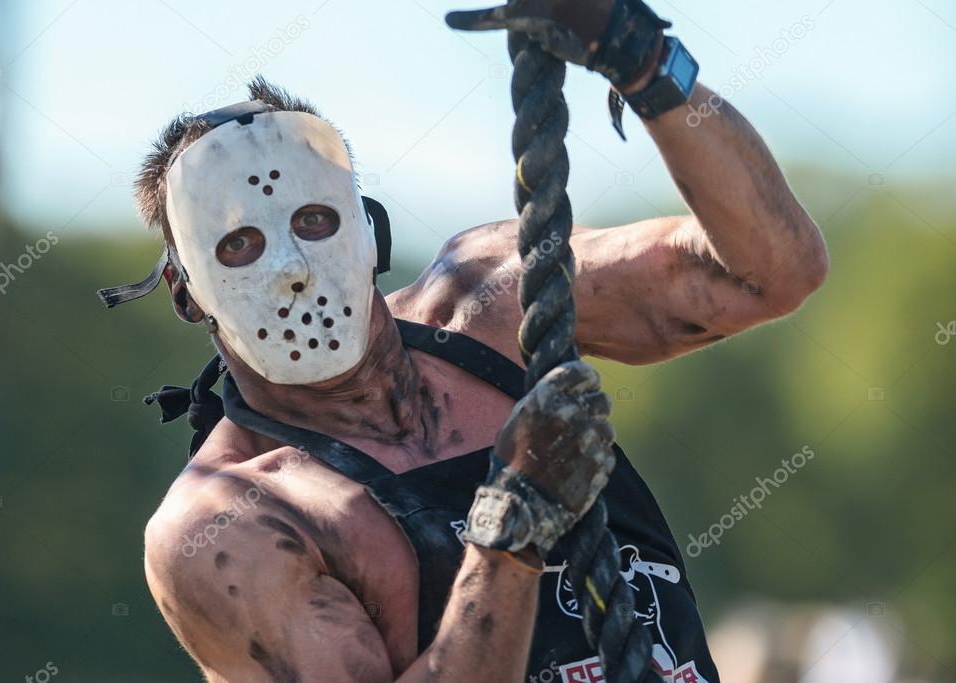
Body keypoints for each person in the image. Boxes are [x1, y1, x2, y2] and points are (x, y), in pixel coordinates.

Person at [111, 1, 828, 680]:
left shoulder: (490, 304)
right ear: (185, 290)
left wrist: (639, 56)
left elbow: (771, 272)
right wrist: (509, 528)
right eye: (239, 244)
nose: (292, 269)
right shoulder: (229, 526)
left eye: (314, 221)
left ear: (368, 230)